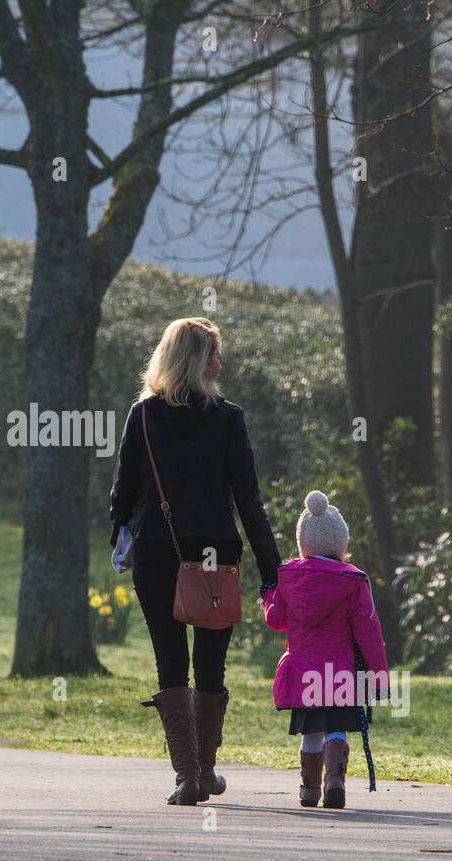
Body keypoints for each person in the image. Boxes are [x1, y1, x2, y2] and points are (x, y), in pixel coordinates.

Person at [109, 317, 282, 806]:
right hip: (215, 554)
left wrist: (119, 542)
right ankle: (205, 772)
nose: (221, 365)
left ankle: (186, 776)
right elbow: (249, 501)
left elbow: (121, 495)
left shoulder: (142, 417)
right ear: (197, 361)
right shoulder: (228, 418)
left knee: (170, 660)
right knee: (211, 663)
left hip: (157, 549)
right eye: (214, 356)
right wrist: (273, 572)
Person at [262, 490, 389, 809]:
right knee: (336, 728)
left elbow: (276, 620)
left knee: (311, 732)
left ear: (303, 543)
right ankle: (335, 783)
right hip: (341, 672)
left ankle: (308, 790)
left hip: (304, 673)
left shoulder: (288, 578)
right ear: (342, 543)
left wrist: (267, 597)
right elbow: (369, 631)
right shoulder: (354, 581)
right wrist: (379, 677)